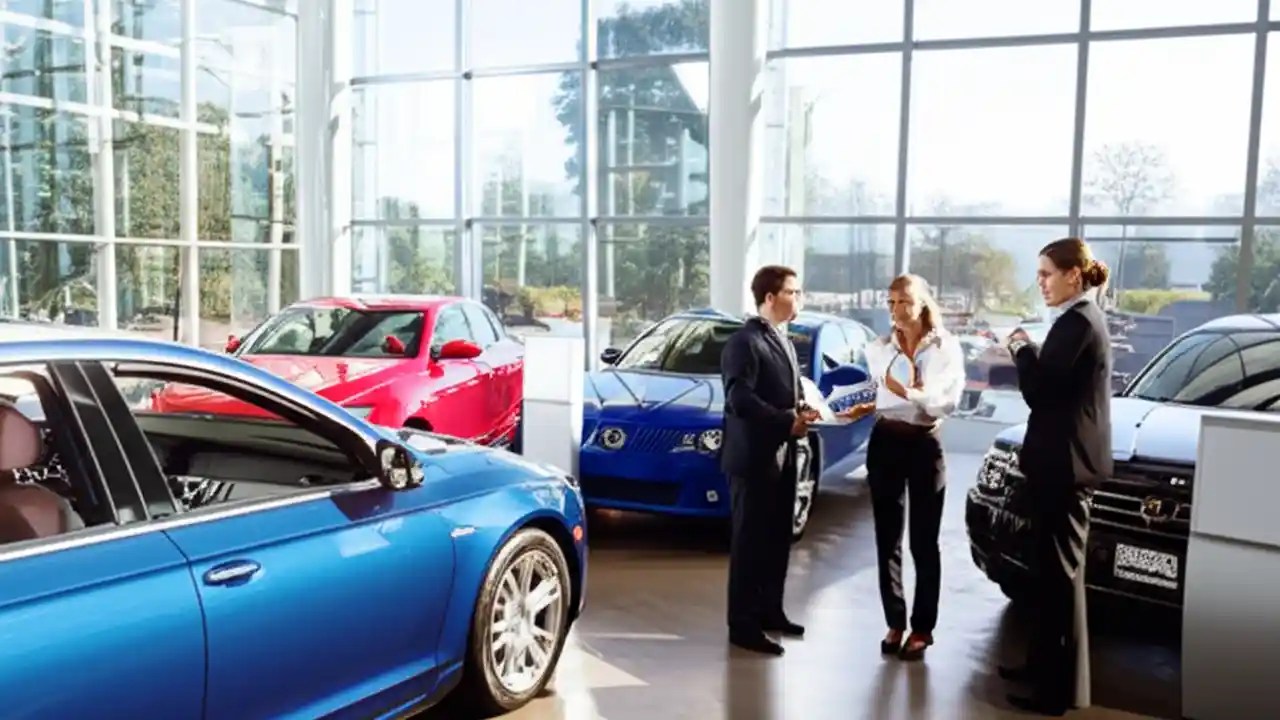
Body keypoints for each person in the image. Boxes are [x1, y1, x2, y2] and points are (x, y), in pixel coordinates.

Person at [1000, 237, 1112, 716]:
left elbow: (1041, 391)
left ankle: (1054, 692)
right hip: (1061, 465)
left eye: (1047, 274)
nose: (1041, 283)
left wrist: (1021, 348)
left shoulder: (1078, 321)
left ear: (1073, 275)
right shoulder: (1079, 319)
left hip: (1065, 469)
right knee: (1049, 575)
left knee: (1059, 580)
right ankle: (1042, 668)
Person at [839, 273, 965, 662]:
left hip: (924, 444)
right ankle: (894, 621)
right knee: (887, 537)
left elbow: (945, 402)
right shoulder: (880, 348)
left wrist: (908, 393)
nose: (896, 310)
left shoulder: (945, 347)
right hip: (886, 442)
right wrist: (866, 406)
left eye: (904, 301)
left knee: (924, 541)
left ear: (923, 302)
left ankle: (922, 628)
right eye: (891, 302)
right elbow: (884, 397)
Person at [720, 264, 818, 656]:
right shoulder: (744, 342)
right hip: (753, 460)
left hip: (783, 455)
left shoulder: (785, 341)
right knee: (750, 544)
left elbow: (783, 393)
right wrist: (784, 421)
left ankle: (770, 611)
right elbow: (739, 398)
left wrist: (802, 410)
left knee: (778, 539)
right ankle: (743, 625)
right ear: (771, 297)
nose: (799, 298)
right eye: (793, 291)